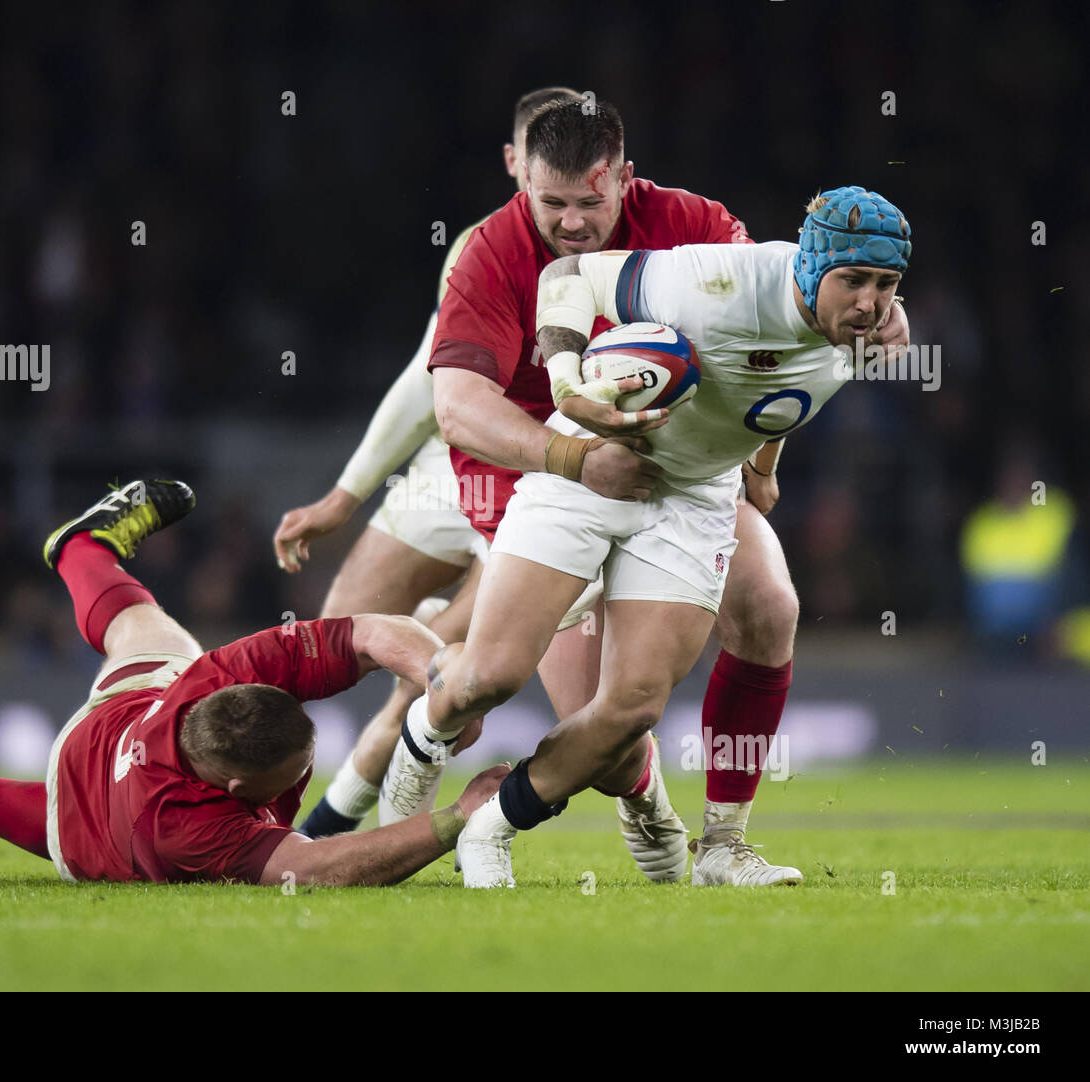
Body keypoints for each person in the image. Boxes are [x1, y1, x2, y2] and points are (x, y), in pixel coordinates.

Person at [380, 101, 909, 885]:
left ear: (625, 181)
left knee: (750, 622)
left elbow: (772, 360)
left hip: (688, 477)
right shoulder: (492, 254)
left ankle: (721, 844)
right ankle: (441, 747)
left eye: (589, 203)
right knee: (510, 686)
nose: (568, 221)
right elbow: (458, 411)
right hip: (542, 457)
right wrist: (571, 443)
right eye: (549, 202)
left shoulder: (703, 233)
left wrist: (761, 468)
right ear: (520, 177)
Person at [0, 480, 508, 886]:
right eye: (297, 770)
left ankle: (80, 548)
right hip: (103, 816)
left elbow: (370, 633)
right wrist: (458, 816)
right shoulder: (184, 828)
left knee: (160, 639)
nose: (307, 770)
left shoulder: (223, 675)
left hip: (126, 711)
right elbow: (318, 867)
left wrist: (450, 685)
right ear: (235, 790)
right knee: (62, 828)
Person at [276, 88, 589, 839]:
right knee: (339, 636)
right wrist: (342, 500)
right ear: (517, 163)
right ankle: (307, 803)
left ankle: (331, 827)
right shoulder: (480, 248)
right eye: (536, 167)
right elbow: (428, 375)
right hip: (450, 469)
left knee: (453, 681)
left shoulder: (619, 249)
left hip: (541, 486)